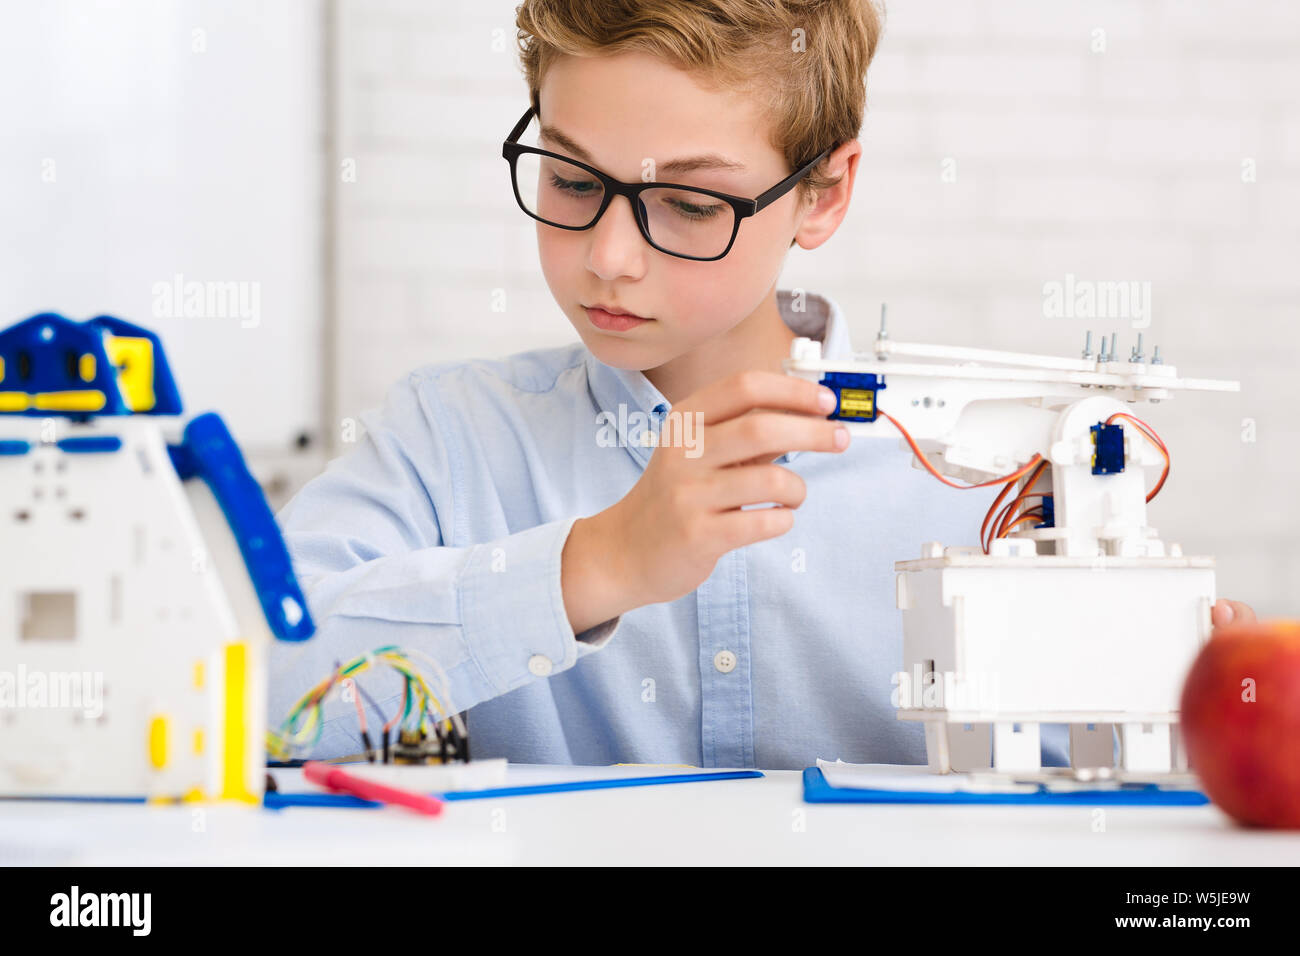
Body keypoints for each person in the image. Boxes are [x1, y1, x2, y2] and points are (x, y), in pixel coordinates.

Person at [268, 0, 1254, 769]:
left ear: (822, 193)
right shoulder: (453, 437)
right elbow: (251, 687)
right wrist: (598, 561)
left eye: (689, 202)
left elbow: (1072, 800)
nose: (609, 256)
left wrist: (1183, 710)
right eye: (571, 182)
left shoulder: (973, 476)